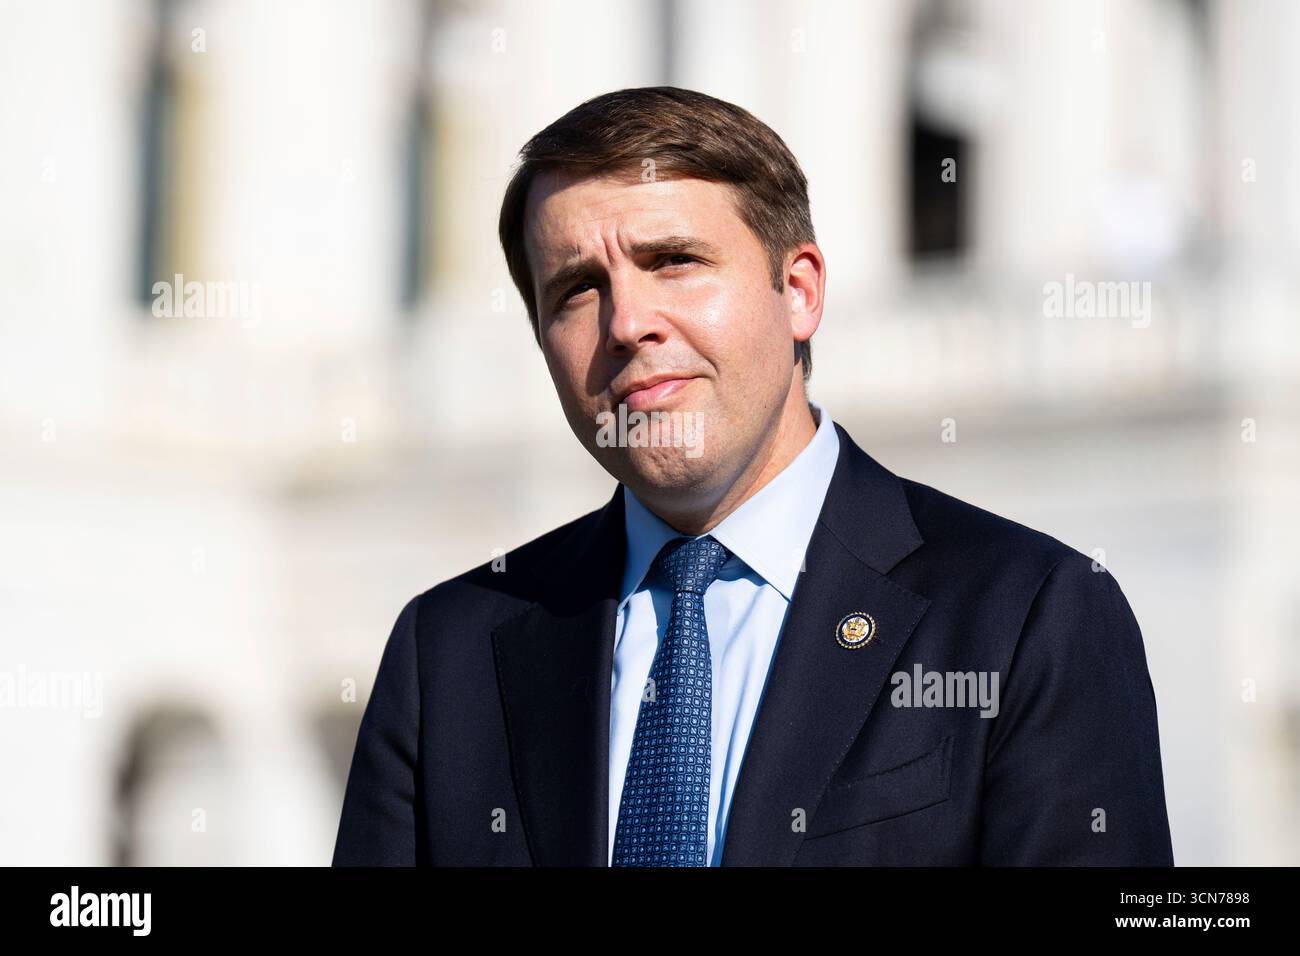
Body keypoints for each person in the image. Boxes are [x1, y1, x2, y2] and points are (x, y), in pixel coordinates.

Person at [332, 86, 1175, 866]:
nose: (628, 323)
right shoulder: (446, 655)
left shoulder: (1027, 615)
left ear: (799, 290)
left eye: (672, 261)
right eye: (578, 290)